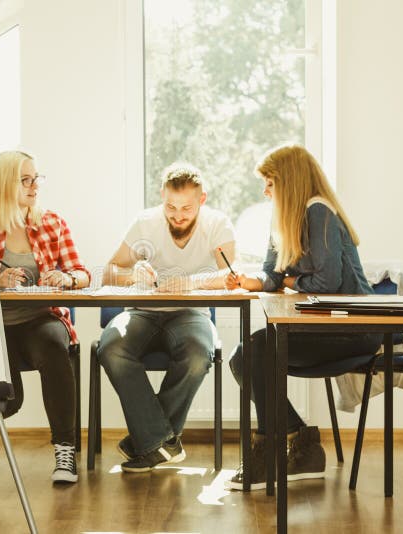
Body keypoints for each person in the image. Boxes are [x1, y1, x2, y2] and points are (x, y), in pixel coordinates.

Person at [224, 144, 382, 490]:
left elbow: (328, 282)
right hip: (322, 324)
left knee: (256, 351)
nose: (265, 192)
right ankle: (301, 440)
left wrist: (291, 279)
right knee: (244, 356)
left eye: (269, 183)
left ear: (289, 181)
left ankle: (270, 454)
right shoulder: (283, 217)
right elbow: (272, 273)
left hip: (355, 329)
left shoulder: (319, 211)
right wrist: (254, 281)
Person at [0, 150, 90, 484]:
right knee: (11, 400)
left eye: (36, 178)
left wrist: (68, 278)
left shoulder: (51, 223)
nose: (35, 186)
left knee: (53, 345)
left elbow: (82, 272)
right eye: (26, 180)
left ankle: (65, 450)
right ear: (6, 184)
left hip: (39, 320)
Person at [97, 162, 236, 472]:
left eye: (186, 208)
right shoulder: (144, 223)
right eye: (170, 207)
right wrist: (132, 274)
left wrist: (192, 283)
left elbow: (231, 275)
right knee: (110, 348)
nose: (178, 215)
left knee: (199, 355)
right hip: (141, 310)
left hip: (191, 312)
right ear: (162, 196)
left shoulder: (218, 224)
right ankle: (161, 442)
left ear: (202, 199)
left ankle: (146, 443)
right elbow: (108, 271)